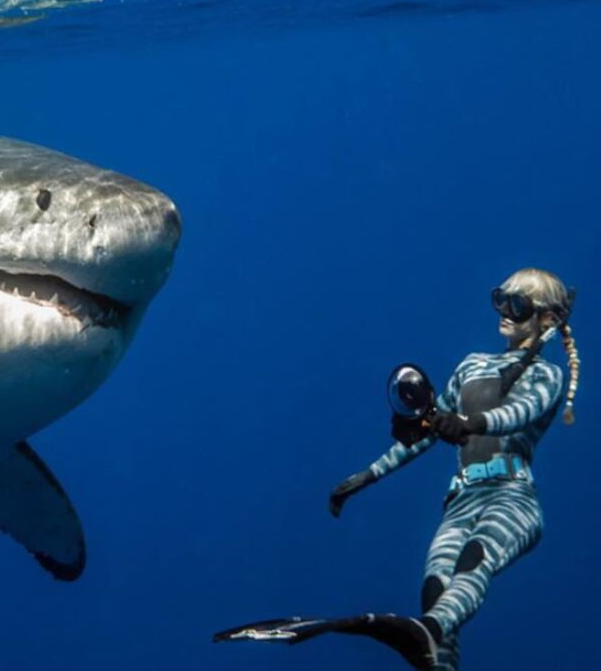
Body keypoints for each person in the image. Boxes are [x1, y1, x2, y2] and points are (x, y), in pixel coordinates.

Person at [214, 268, 580, 670]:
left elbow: (521, 412)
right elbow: (427, 431)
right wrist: (367, 475)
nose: (505, 311)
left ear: (547, 318)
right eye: (500, 299)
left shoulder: (548, 375)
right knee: (435, 583)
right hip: (462, 498)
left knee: (476, 559)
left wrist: (470, 423)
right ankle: (437, 654)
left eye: (518, 304)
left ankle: (428, 629)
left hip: (511, 496)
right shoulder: (472, 365)